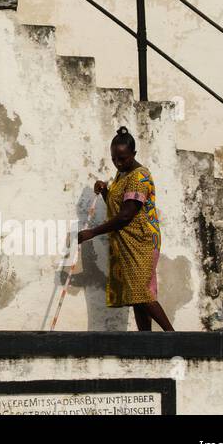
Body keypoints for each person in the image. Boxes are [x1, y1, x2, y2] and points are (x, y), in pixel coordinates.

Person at [77, 126, 174, 331]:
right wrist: (104, 191)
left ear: (134, 154)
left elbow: (126, 215)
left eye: (122, 158)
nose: (118, 163)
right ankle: (145, 341)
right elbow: (118, 204)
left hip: (142, 242)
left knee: (141, 292)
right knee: (136, 297)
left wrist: (92, 233)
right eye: (114, 159)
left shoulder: (139, 177)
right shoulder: (122, 174)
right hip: (127, 242)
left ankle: (173, 336)